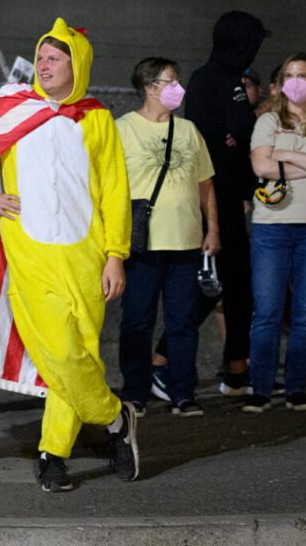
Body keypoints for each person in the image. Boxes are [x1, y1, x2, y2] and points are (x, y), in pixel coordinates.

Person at [0, 19, 138, 492]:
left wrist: (115, 254)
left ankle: (54, 454)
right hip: (29, 254)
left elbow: (114, 190)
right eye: (42, 58)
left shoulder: (98, 119)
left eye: (55, 58)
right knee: (62, 357)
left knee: (80, 356)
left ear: (78, 66)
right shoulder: (13, 110)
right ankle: (116, 417)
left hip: (87, 258)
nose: (44, 65)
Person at [115, 58, 218, 418]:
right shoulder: (122, 129)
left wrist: (213, 229)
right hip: (142, 246)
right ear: (150, 87)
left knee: (183, 322)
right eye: (171, 81)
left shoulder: (188, 130)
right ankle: (135, 393)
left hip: (186, 243)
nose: (178, 88)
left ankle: (182, 392)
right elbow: (109, 187)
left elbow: (206, 184)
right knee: (137, 321)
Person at [244, 52, 306, 413]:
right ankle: (260, 389)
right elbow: (261, 165)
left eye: (302, 75)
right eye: (289, 74)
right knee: (267, 311)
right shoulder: (268, 120)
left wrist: (286, 157)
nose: (296, 81)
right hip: (273, 227)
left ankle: (296, 389)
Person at [177, 11, 266, 396]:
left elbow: (238, 129)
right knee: (220, 285)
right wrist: (239, 129)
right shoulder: (218, 79)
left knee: (229, 284)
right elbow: (234, 130)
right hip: (218, 196)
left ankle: (236, 366)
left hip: (224, 193)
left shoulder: (214, 78)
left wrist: (238, 130)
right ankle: (224, 367)